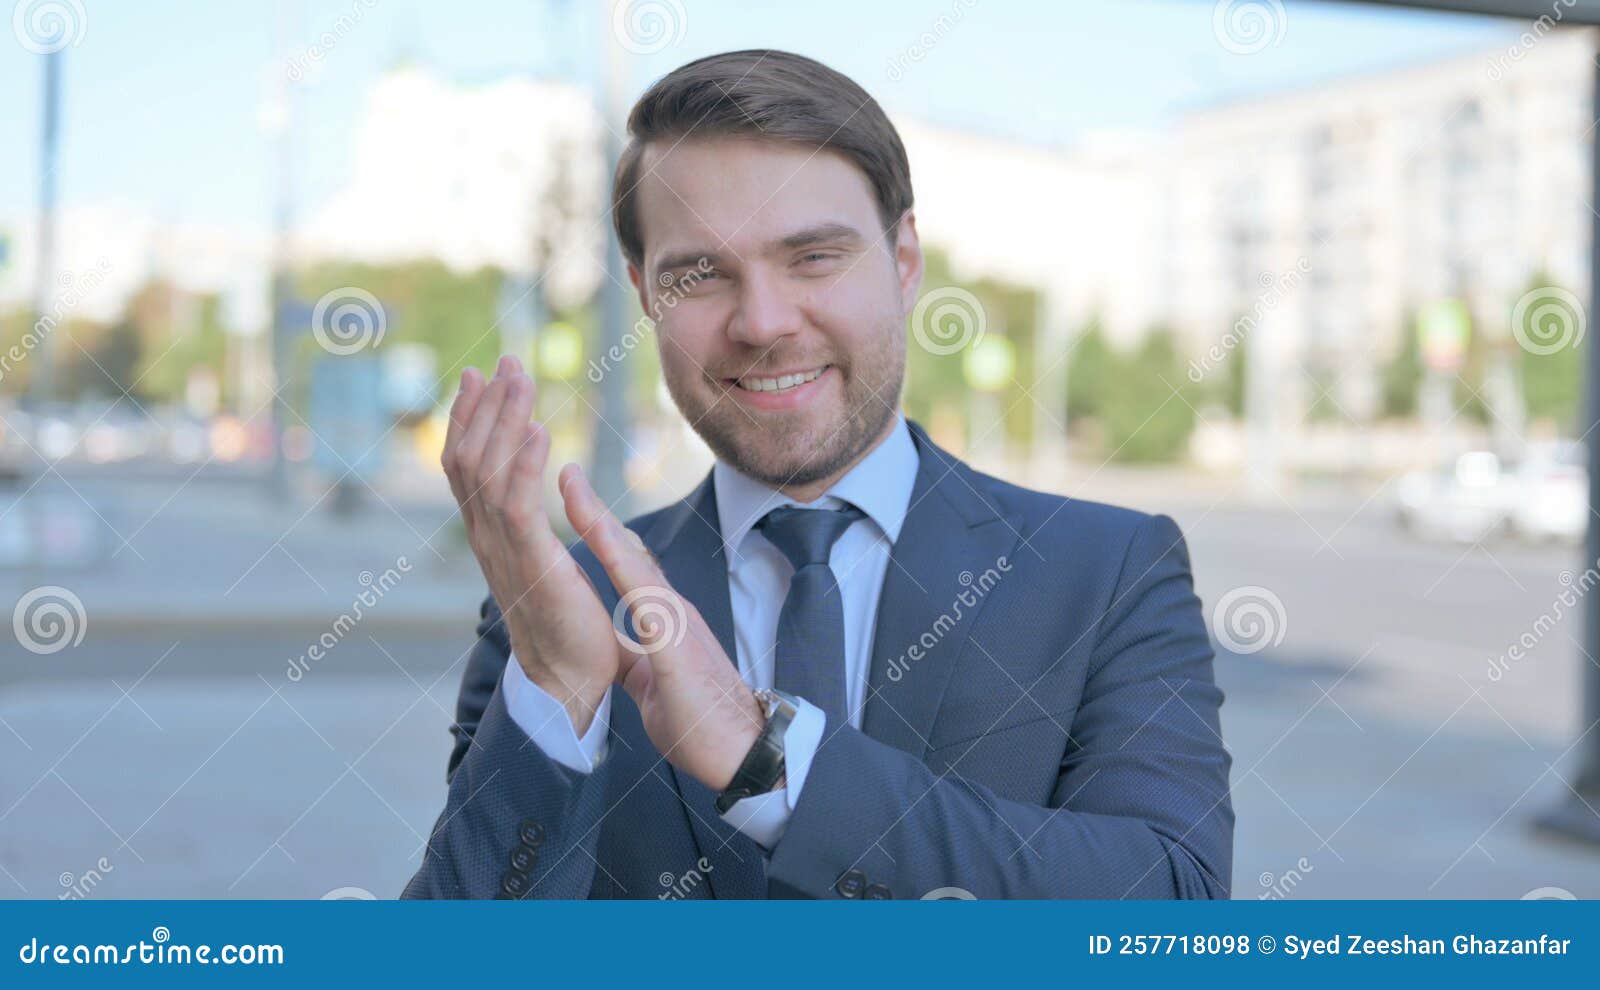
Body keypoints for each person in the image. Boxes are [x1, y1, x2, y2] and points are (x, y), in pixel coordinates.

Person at [402, 49, 1232, 900]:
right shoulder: (563, 606)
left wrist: (771, 765)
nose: (761, 322)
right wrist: (562, 689)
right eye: (699, 275)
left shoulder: (1108, 570)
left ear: (905, 260)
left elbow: (1174, 903)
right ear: (644, 295)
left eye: (813, 258)